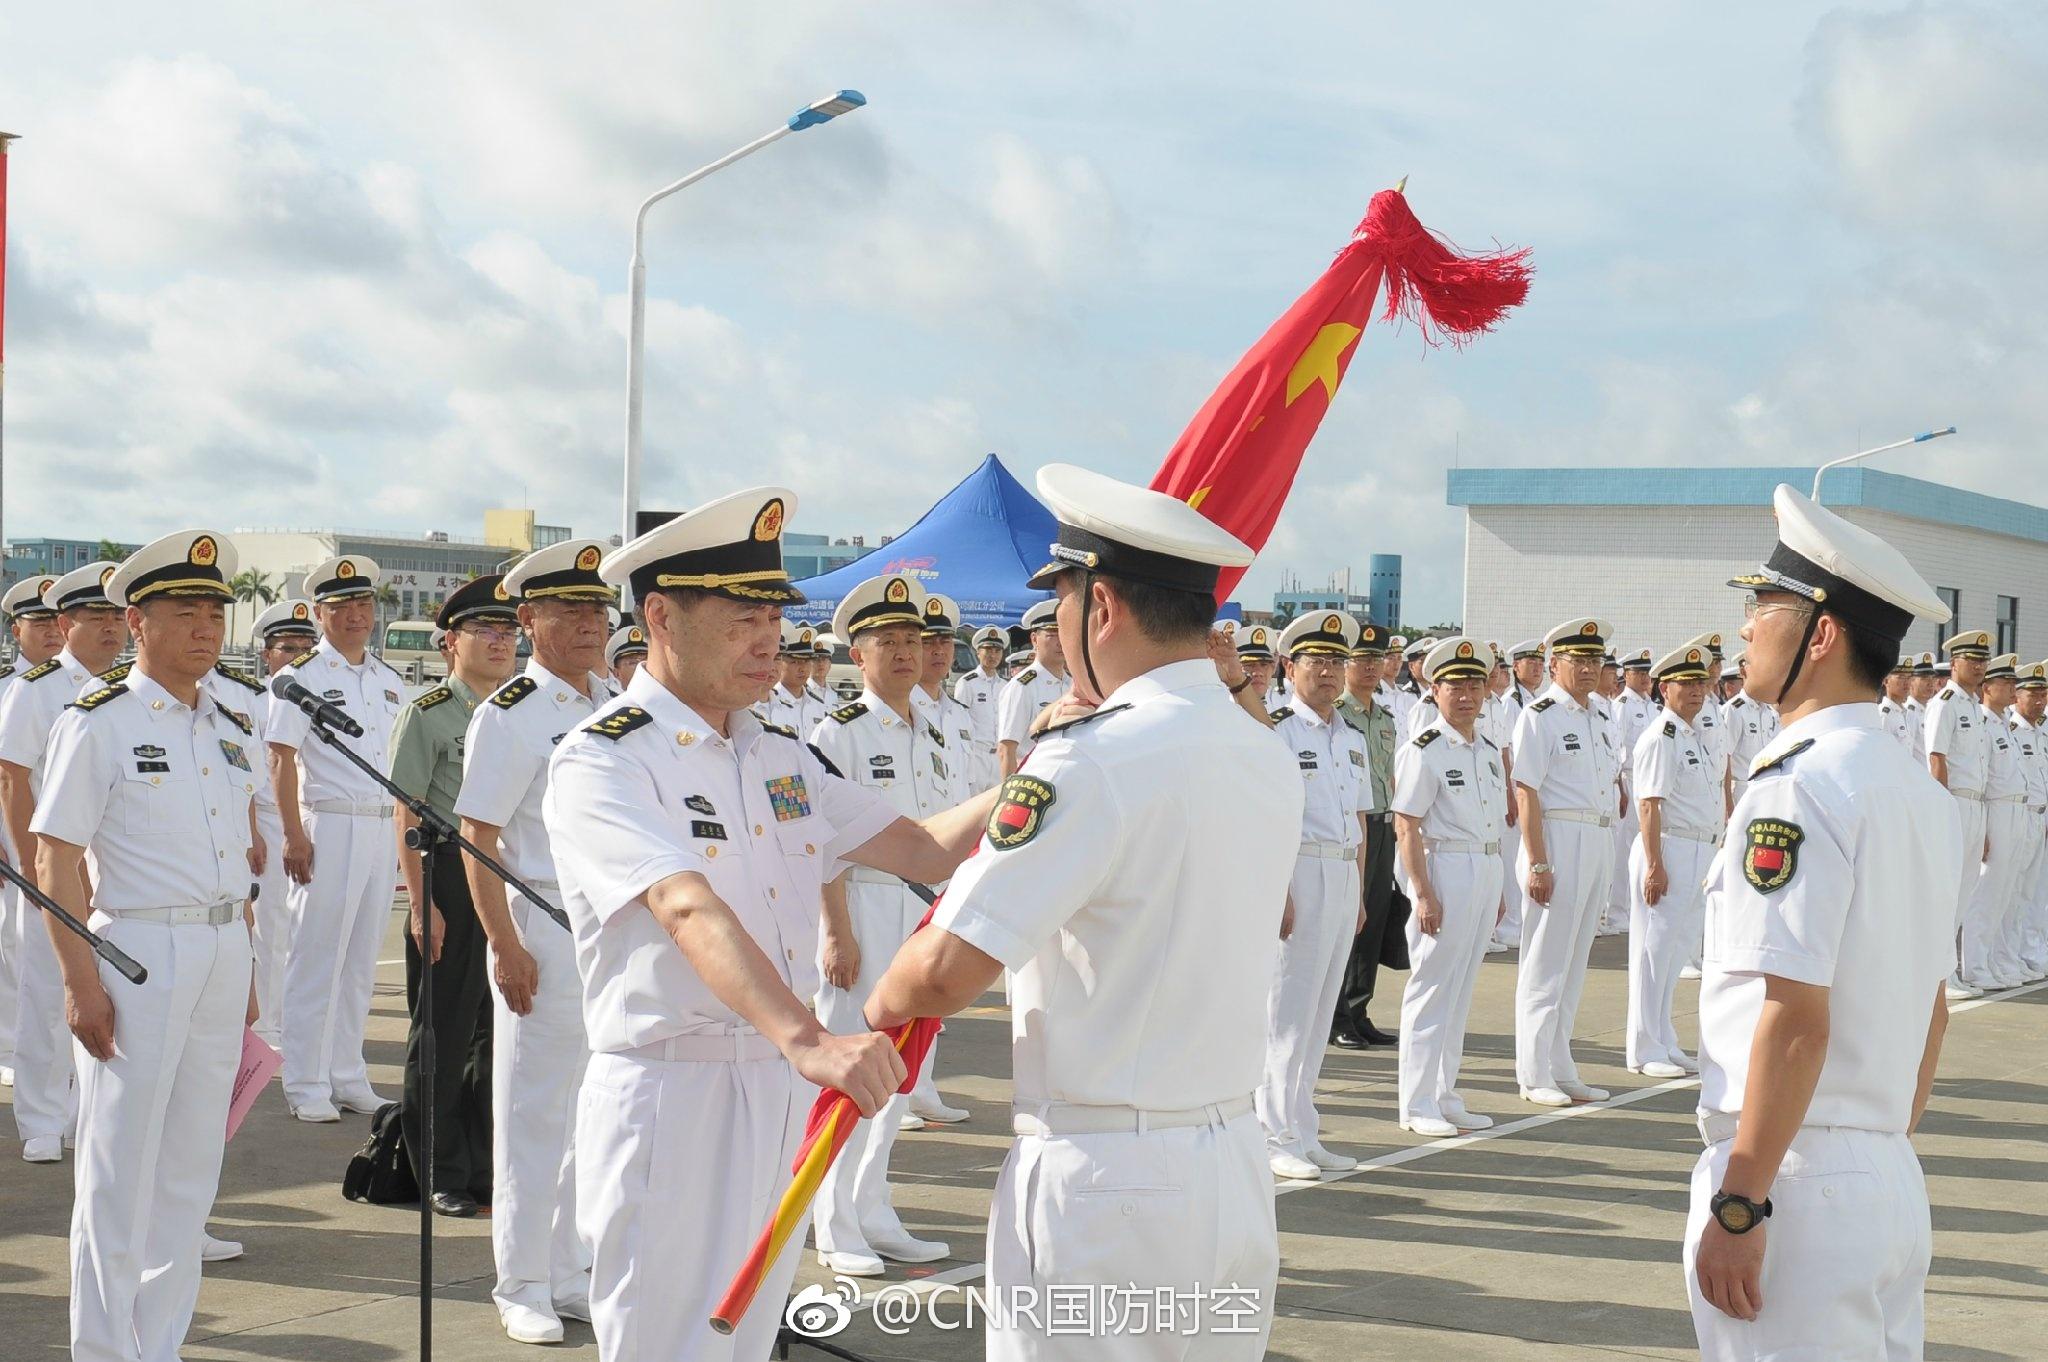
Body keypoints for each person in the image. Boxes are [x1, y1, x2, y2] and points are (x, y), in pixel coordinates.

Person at [541, 487, 989, 1361]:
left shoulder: (778, 752)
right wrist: (808, 1039)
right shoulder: (603, 758)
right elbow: (683, 904)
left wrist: (1040, 775)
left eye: (773, 617)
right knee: (665, 1340)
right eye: (743, 617)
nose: (768, 639)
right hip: (672, 1091)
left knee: (748, 1339)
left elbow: (925, 849)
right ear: (662, 615)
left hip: (774, 1092)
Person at [866, 462, 1299, 1359]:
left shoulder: (1088, 762)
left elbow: (941, 975)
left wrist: (880, 1006)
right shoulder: (1261, 750)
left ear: (1100, 608)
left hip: (1108, 1182)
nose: (1057, 631)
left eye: (1060, 603)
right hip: (1230, 1164)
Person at [1687, 484, 1960, 1360]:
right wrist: (1875, 1146)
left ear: (1822, 633)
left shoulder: (1797, 785)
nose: (1744, 629)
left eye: (1763, 607)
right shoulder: (1914, 787)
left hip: (1792, 1180)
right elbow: (1934, 1006)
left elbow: (1794, 1015)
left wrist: (1741, 1202)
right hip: (1884, 1173)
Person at [32, 531, 263, 1362]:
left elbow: (235, 857)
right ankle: (102, 1348)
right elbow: (55, 857)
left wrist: (244, 968)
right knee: (119, 1165)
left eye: (214, 613)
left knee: (191, 1169)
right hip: (136, 952)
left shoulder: (231, 721)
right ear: (138, 622)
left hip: (218, 949)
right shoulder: (98, 722)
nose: (205, 628)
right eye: (185, 612)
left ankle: (157, 1343)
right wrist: (78, 980)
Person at [458, 540, 615, 1343]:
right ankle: (519, 1280)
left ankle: (571, 1268)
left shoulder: (619, 699)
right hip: (543, 922)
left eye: (597, 608)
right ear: (530, 619)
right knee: (531, 1111)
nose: (590, 623)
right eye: (570, 609)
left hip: (613, 928)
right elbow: (477, 834)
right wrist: (503, 942)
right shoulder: (510, 712)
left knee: (594, 1109)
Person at [808, 572, 958, 1274]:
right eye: (886, 642)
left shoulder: (934, 728)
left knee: (902, 1069)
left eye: (912, 641)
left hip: (923, 908)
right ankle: (833, 1222)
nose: (904, 653)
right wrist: (836, 930)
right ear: (856, 655)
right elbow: (820, 843)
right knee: (853, 1065)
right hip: (865, 903)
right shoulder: (835, 732)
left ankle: (874, 1209)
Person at [386, 574, 521, 1223]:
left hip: (505, 879)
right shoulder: (432, 712)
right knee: (441, 1032)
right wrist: (420, 903)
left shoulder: (519, 711)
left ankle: (484, 1164)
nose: (500, 642)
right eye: (485, 631)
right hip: (447, 876)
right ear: (451, 643)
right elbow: (407, 811)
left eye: (508, 631)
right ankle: (435, 1166)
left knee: (496, 1035)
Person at [265, 554, 406, 1122]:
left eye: (364, 603)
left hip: (377, 825)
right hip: (329, 821)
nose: (356, 614)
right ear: (320, 613)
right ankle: (303, 1082)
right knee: (316, 956)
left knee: (361, 961)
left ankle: (347, 1074)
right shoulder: (299, 679)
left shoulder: (390, 681)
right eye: (342, 605)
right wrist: (294, 836)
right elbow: (281, 759)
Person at [0, 560, 131, 1163]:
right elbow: (13, 777)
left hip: (110, 867)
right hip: (53, 865)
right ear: (65, 622)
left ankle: (83, 1115)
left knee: (105, 995)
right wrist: (33, 868)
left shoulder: (131, 687)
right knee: (46, 992)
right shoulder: (38, 687)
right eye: (94, 616)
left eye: (115, 616)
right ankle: (41, 1117)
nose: (109, 628)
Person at [1258, 611, 1370, 1180]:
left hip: (1341, 873)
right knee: (1285, 1009)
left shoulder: (1350, 736)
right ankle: (1271, 1132)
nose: (1328, 672)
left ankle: (1302, 1126)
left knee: (1321, 1008)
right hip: (1296, 871)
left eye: (1336, 662)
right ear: (1289, 666)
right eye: (1316, 661)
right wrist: (1275, 891)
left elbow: (1358, 816)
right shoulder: (1275, 729)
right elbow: (1264, 817)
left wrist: (1359, 891)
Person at [1392, 636, 1508, 1138]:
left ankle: (1445, 1093)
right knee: (1432, 987)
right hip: (1445, 869)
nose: (1465, 695)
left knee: (1459, 990)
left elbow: (1491, 823)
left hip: (1482, 869)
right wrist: (1422, 891)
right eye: (1454, 685)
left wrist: (1498, 883)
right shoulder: (1425, 750)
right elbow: (1406, 826)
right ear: (1434, 690)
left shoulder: (1484, 748)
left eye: (1474, 684)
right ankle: (1417, 1103)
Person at [1509, 616, 1621, 1108]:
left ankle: (1560, 1063)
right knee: (1545, 961)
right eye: (1579, 660)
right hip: (1558, 837)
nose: (1589, 669)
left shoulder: (1600, 715)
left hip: (1595, 837)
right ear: (1554, 663)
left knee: (1575, 961)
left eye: (1595, 660)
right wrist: (1537, 862)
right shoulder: (1540, 715)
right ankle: (1533, 1072)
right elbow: (1527, 791)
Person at [1624, 644, 1723, 1079]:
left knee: (1677, 948)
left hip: (1698, 849)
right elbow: (1649, 805)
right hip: (1669, 848)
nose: (1696, 691)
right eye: (1687, 683)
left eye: (1701, 682)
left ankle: (1663, 1036)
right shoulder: (1660, 736)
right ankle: (1644, 1048)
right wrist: (1654, 864)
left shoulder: (1692, 734)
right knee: (1653, 951)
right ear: (1665, 688)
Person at [904, 592, 976, 1128]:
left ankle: (923, 1086)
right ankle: (902, 1094)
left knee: (928, 998)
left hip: (943, 870)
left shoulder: (952, 714)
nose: (935, 652)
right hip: (892, 876)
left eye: (942, 642)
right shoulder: (901, 713)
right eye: (924, 642)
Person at [0, 574, 63, 1094]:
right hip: (11, 832)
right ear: (16, 628)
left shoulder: (81, 686)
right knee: (12, 946)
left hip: (49, 839)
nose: (49, 631)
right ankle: (10, 1047)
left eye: (53, 620)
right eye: (36, 621)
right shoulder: (11, 689)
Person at [1332, 623, 1400, 1049]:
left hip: (1384, 824)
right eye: (1363, 660)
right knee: (1346, 922)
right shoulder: (1337, 714)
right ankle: (1336, 1014)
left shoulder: (1385, 716)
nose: (1372, 667)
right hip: (1353, 825)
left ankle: (1359, 1009)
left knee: (1372, 920)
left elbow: (1388, 775)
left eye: (1377, 660)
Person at [1924, 628, 1992, 1001]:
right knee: (1948, 891)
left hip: (1977, 803)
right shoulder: (1946, 702)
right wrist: (1942, 809)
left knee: (1964, 891)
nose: (1980, 667)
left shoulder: (1974, 707)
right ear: (1954, 664)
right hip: (1955, 803)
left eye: (1983, 661)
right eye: (1973, 660)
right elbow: (1937, 758)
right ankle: (1938, 974)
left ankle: (1950, 972)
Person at [1959, 654, 2028, 992]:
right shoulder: (1984, 722)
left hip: (2017, 811)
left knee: (2006, 893)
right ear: (1988, 688)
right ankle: (1974, 965)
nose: (2013, 689)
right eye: (2007, 683)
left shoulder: (2004, 724)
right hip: (1994, 811)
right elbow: (1984, 778)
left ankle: (1992, 960)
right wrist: (1984, 827)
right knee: (1986, 894)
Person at [1605, 648, 1658, 936]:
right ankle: (1616, 912)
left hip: (1647, 780)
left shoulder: (1651, 705)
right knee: (1624, 848)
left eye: (1647, 672)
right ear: (1626, 675)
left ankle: (1631, 907)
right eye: (1638, 672)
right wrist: (1622, 787)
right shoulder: (1623, 704)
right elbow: (1617, 748)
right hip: (1629, 777)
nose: (1645, 677)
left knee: (1641, 847)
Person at [2006, 661, 2048, 982]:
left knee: (2034, 893)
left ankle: (2028, 953)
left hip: (2040, 817)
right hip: (2017, 814)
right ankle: (2009, 955)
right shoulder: (2011, 729)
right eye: (2032, 693)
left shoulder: (2038, 730)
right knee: (2012, 892)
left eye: (2043, 694)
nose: (2039, 700)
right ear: (2016, 695)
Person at [994, 600, 1067, 778]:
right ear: (1034, 639)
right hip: (1034, 782)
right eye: (1052, 634)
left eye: (1063, 632)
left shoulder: (1072, 683)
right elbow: (1006, 749)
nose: (1060, 641)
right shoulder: (1022, 686)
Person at [952, 624, 1008, 792]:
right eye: (988, 650)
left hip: (998, 756)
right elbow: (959, 723)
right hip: (976, 756)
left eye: (997, 651)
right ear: (978, 652)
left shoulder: (1005, 685)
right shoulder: (967, 683)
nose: (993, 655)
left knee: (997, 806)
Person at [758, 621, 824, 735]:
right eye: (795, 662)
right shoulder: (739, 707)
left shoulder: (785, 707)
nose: (802, 668)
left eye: (777, 658)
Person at [1875, 655, 1914, 749]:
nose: (1906, 683)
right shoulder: (1884, 715)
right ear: (1886, 681)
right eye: (1901, 677)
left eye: (1909, 677)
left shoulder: (1906, 713)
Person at [604, 621, 648, 691]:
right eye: (633, 662)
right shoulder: (610, 699)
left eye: (646, 661)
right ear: (616, 673)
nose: (641, 666)